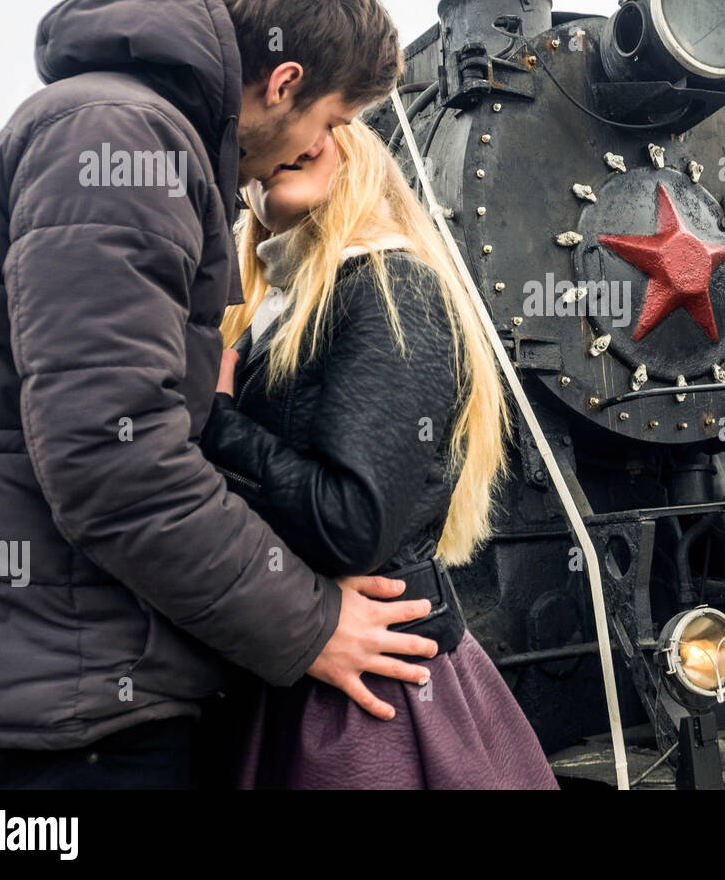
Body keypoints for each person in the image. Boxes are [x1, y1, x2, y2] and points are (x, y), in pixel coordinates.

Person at [0, 0, 441, 790]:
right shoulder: (123, 141)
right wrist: (312, 623)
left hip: (84, 674)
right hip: (85, 710)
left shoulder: (128, 132)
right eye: (334, 121)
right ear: (282, 84)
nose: (328, 147)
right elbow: (113, 460)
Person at [197, 120, 557, 789]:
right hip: (307, 672)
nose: (293, 145)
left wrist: (219, 423)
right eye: (262, 150)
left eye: (321, 127)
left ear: (364, 152)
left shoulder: (392, 283)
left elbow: (352, 524)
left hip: (371, 702)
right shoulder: (278, 307)